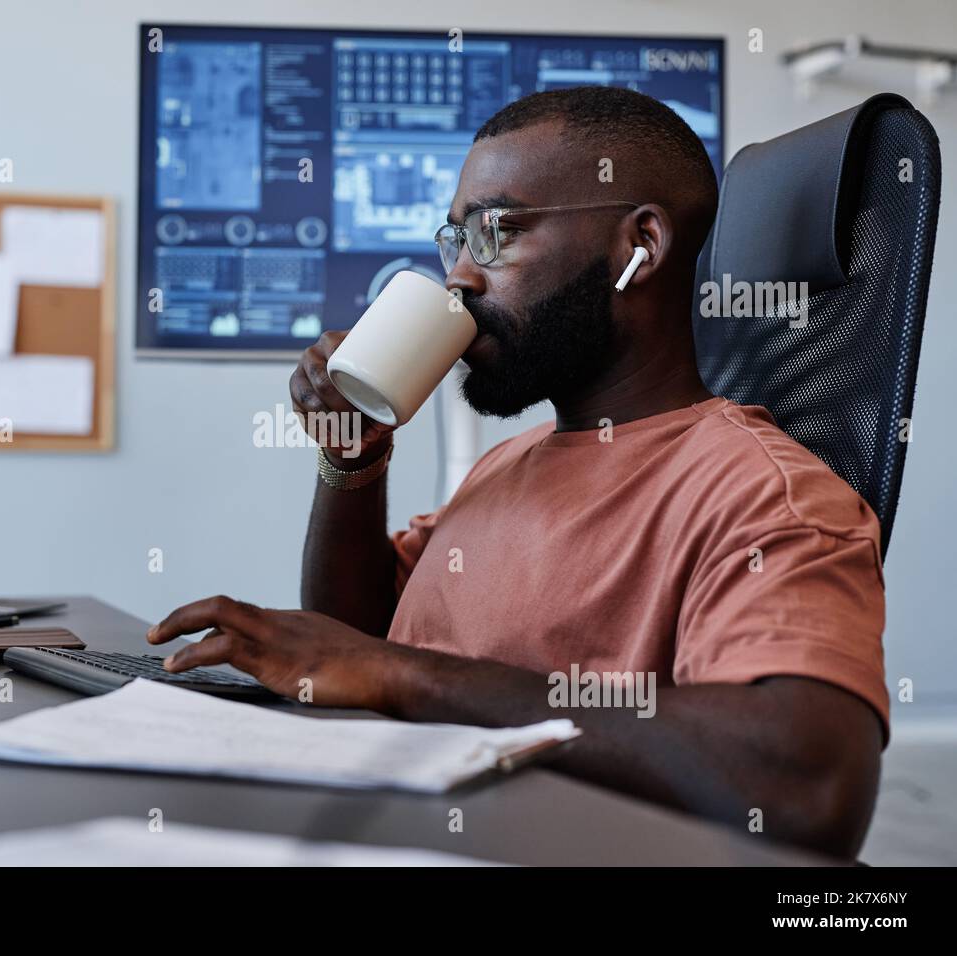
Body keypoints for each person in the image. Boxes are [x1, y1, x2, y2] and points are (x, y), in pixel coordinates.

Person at [147, 87, 887, 859]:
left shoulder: (764, 493)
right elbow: (358, 640)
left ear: (641, 246)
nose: (460, 278)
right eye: (455, 241)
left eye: (497, 231)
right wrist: (352, 461)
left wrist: (405, 676)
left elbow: (809, 784)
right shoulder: (507, 467)